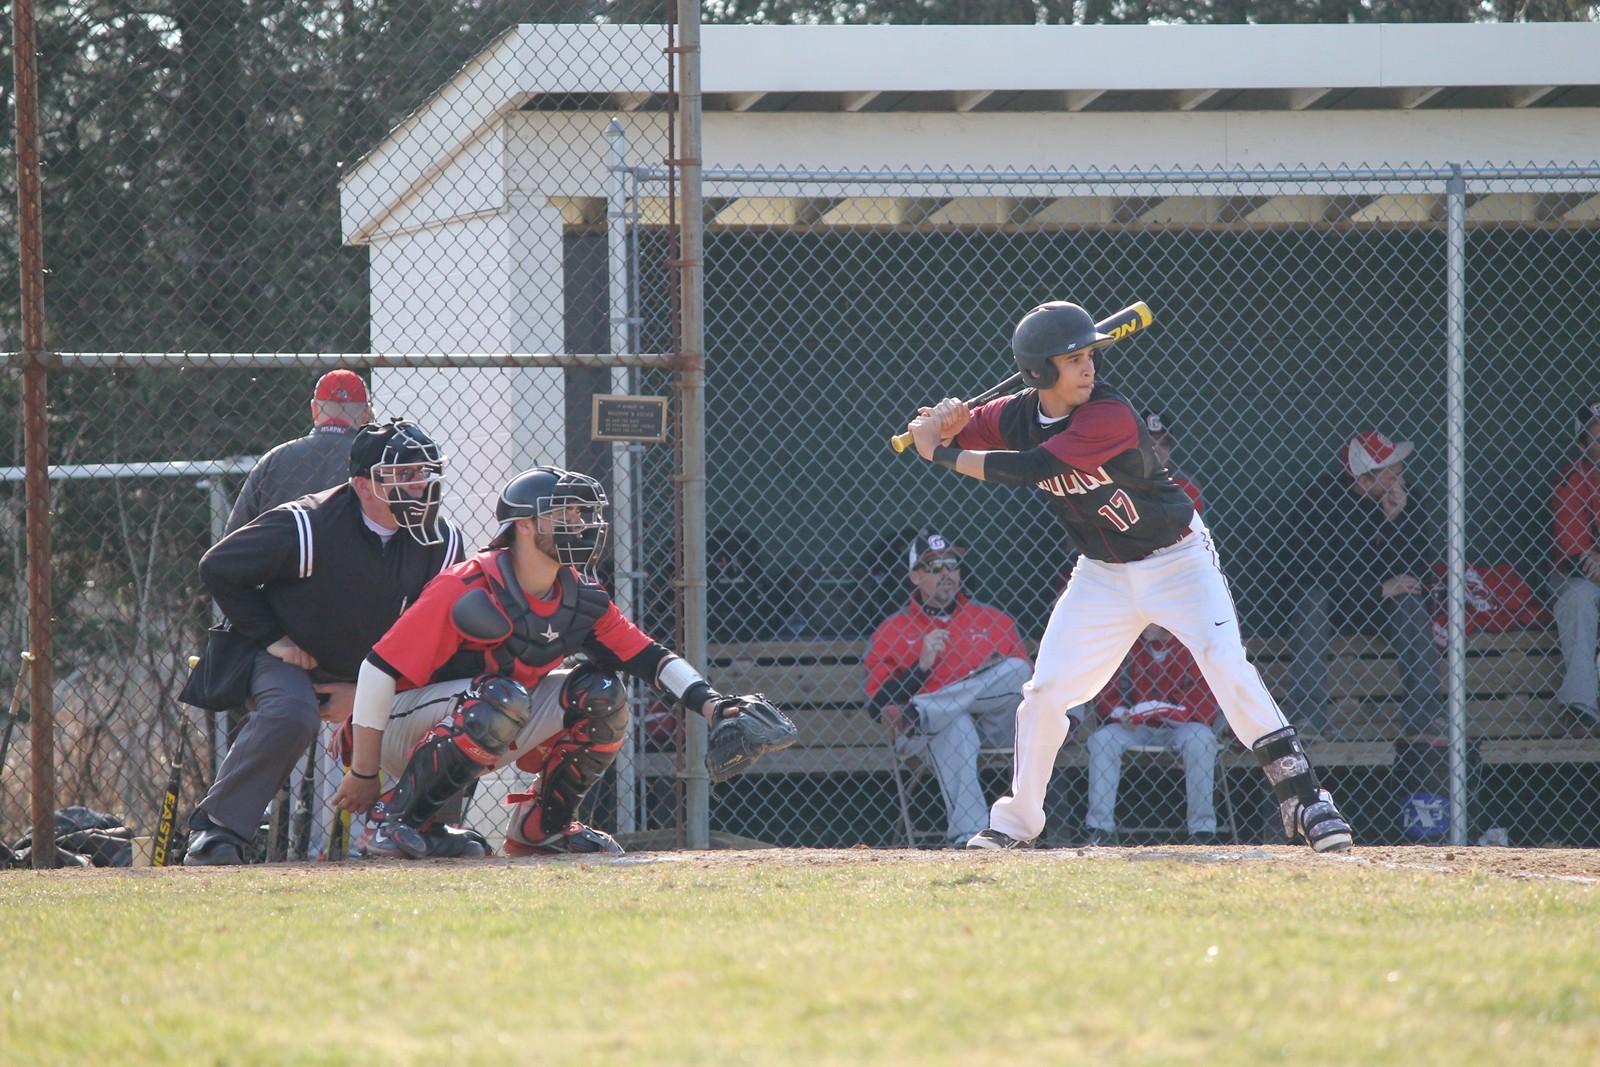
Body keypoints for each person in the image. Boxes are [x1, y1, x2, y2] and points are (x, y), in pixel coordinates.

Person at [903, 299, 1351, 853]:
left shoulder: (1109, 414)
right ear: (1041, 371)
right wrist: (945, 423)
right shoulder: (1015, 413)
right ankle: (1015, 823)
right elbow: (970, 430)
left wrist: (939, 455)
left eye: (1091, 354)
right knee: (1044, 692)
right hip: (1102, 576)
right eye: (1074, 359)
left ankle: (1307, 799)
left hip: (1176, 559)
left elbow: (1032, 468)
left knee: (1222, 658)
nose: (1089, 367)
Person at [329, 465, 759, 859]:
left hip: (486, 712)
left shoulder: (580, 593)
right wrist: (364, 772)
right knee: (500, 697)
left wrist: (716, 706)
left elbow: (650, 657)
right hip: (390, 730)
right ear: (524, 524)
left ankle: (541, 827)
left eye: (583, 514)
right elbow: (377, 670)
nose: (581, 525)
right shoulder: (466, 584)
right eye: (565, 515)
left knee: (601, 694)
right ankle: (394, 822)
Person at [183, 419, 465, 865]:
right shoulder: (307, 524)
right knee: (292, 713)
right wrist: (273, 638)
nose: (421, 485)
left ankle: (421, 826)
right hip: (295, 657)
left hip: (376, 670)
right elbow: (219, 567)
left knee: (461, 703)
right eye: (404, 475)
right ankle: (217, 830)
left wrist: (366, 693)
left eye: (425, 472)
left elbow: (440, 638)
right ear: (363, 486)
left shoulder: (441, 541)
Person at [864, 533, 1033, 847]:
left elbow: (1022, 683)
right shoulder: (893, 630)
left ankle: (928, 708)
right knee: (957, 724)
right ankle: (970, 838)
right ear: (915, 576)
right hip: (928, 736)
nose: (946, 573)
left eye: (952, 565)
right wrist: (920, 668)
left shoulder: (994, 620)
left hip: (995, 728)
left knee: (1019, 669)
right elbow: (878, 706)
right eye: (935, 566)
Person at [1284, 431, 1445, 742]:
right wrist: (1376, 588)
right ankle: (1308, 718)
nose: (1401, 478)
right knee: (1312, 598)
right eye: (1391, 474)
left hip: (1380, 608)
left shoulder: (1409, 501)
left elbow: (1417, 569)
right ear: (1365, 482)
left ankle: (1425, 718)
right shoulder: (1321, 500)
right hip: (1333, 603)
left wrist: (1396, 522)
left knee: (1409, 599)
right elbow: (1314, 569)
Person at [1084, 624, 1222, 846]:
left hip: (1184, 727)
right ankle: (1100, 829)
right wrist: (1122, 713)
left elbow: (1201, 708)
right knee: (1102, 740)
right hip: (1135, 729)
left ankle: (1203, 832)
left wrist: (1154, 709)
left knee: (1202, 740)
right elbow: (1109, 695)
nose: (1141, 621)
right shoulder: (1128, 644)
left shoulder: (1194, 645)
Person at [225, 370, 374, 535]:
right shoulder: (375, 461)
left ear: (314, 409)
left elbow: (234, 535)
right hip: (353, 559)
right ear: (366, 414)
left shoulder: (275, 460)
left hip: (284, 558)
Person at [1550, 400, 1600, 739]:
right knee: (1580, 599)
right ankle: (1583, 708)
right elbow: (1576, 559)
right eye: (1598, 438)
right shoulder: (1573, 479)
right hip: (1578, 578)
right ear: (1583, 444)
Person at [1144, 409, 1204, 515]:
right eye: (1150, 444)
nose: (1158, 451)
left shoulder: (1186, 484)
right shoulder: (1123, 480)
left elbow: (1198, 531)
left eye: (1164, 444)